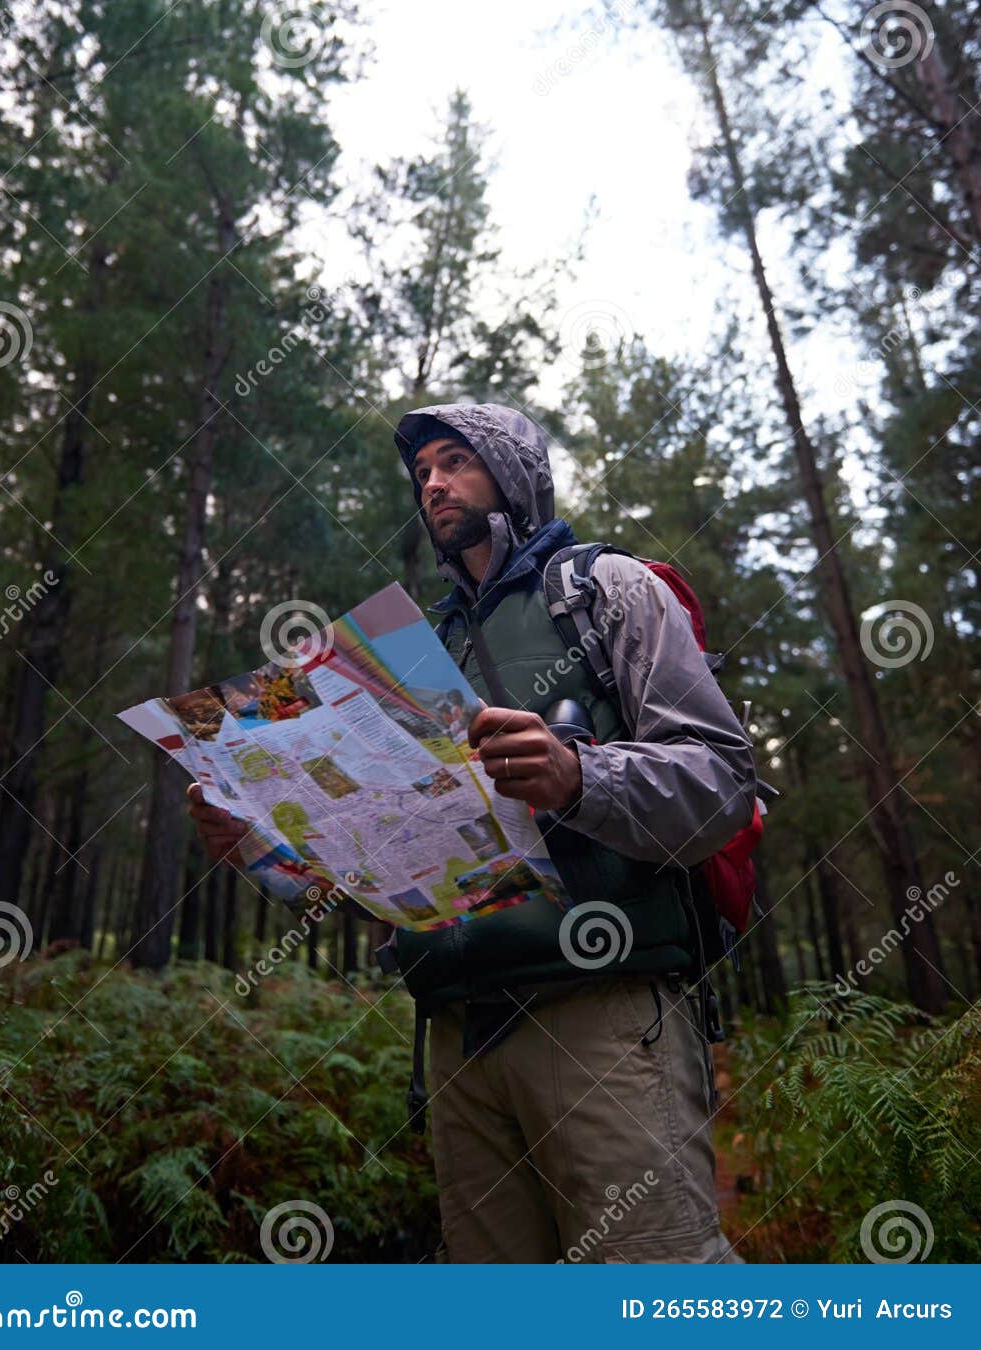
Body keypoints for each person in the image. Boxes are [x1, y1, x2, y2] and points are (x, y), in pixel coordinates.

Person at [189, 402, 757, 1264]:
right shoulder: (408, 653)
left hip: (601, 1017)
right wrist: (261, 843)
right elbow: (383, 855)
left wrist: (579, 777)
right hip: (457, 1042)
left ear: (515, 473)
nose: (433, 484)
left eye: (455, 462)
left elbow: (720, 783)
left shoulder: (606, 591)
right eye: (422, 474)